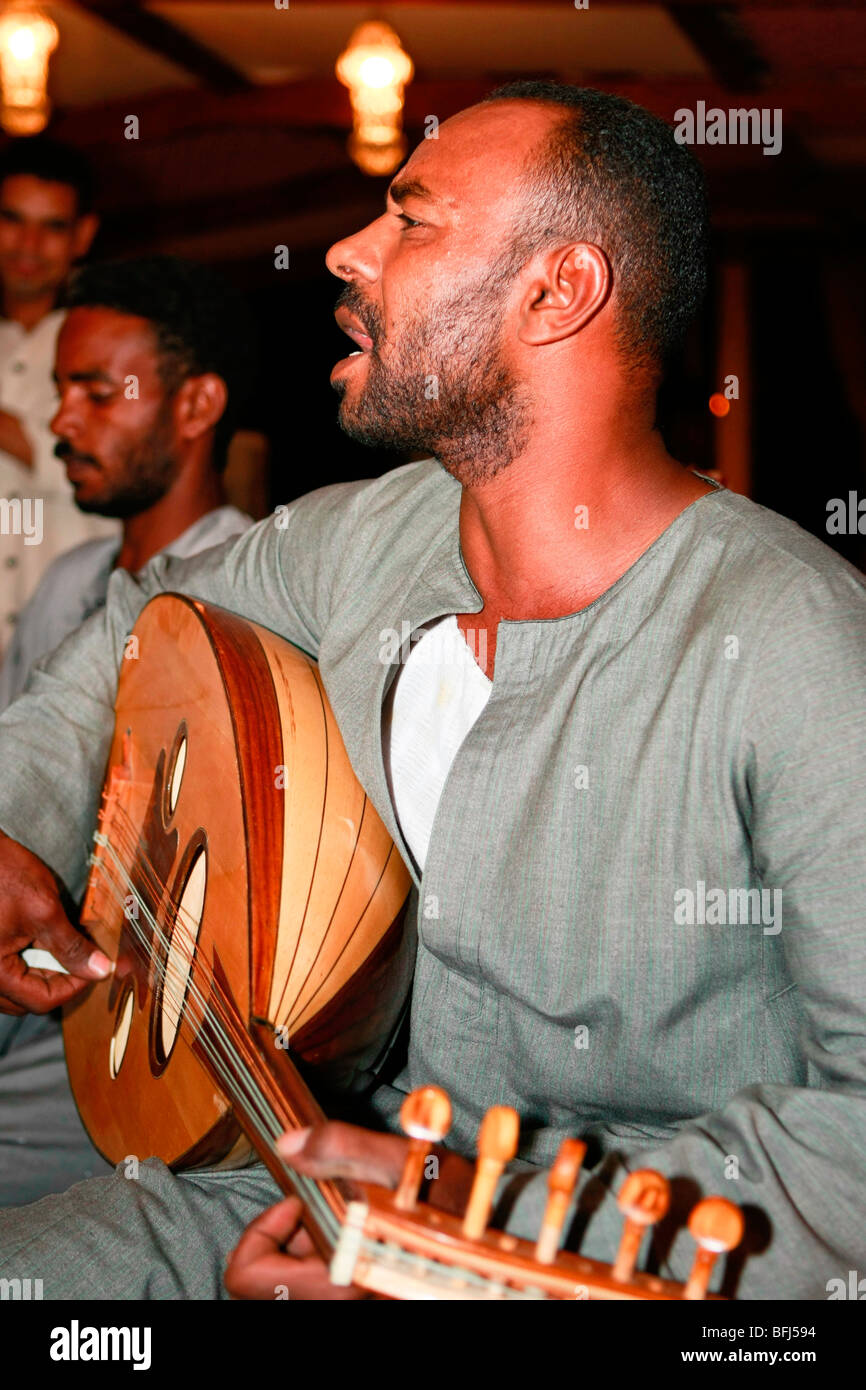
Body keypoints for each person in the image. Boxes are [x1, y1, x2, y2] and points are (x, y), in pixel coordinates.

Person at [0, 81, 863, 1301]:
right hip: (278, 1172)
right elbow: (149, 618)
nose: (346, 251)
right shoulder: (375, 533)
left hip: (612, 1251)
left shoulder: (795, 644)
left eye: (410, 220)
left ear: (555, 291)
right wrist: (16, 815)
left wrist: (479, 1223)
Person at [0, 255, 253, 1204]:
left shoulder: (245, 593)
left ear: (196, 408)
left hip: (118, 1006)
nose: (62, 423)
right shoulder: (72, 580)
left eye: (99, 394)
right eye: (63, 390)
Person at [0, 137, 119, 658]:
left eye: (52, 227)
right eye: (12, 219)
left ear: (83, 235)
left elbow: (101, 458)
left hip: (72, 644)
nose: (28, 245)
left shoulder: (110, 341)